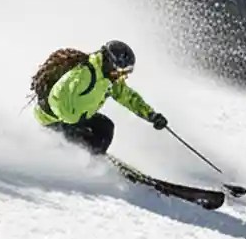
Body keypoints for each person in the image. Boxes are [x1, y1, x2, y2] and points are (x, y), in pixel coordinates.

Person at [33, 40, 168, 155]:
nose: (123, 76)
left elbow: (127, 97)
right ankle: (77, 160)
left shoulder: (109, 78)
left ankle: (93, 157)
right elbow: (57, 96)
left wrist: (151, 115)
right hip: (53, 118)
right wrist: (71, 122)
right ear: (111, 63)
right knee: (95, 135)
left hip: (74, 117)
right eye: (123, 71)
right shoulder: (84, 73)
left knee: (105, 127)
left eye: (128, 72)